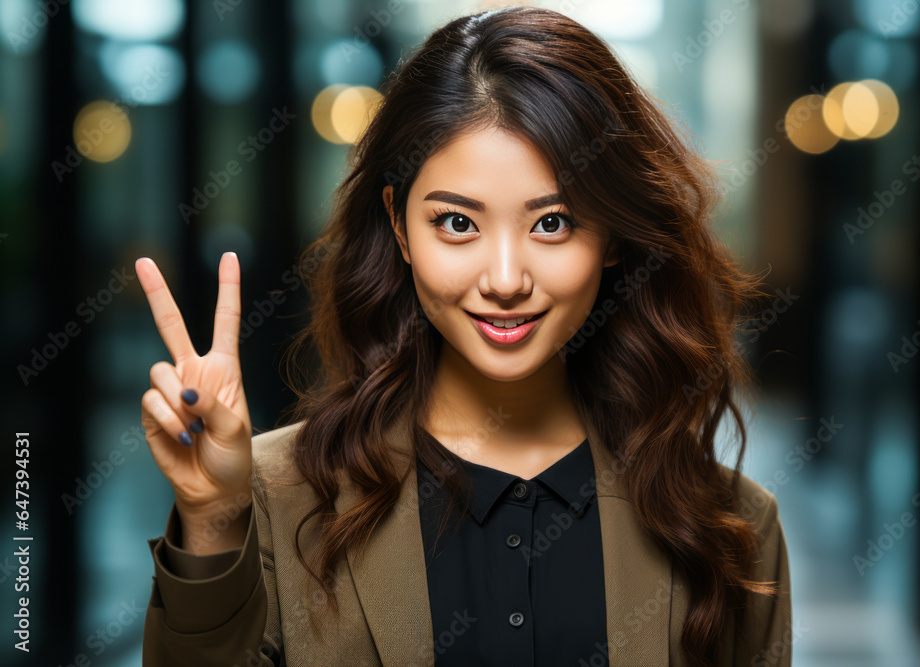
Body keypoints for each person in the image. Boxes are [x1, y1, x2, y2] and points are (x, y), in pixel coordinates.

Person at [138, 5, 791, 666]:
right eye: (456, 223)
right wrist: (215, 518)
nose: (505, 279)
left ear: (613, 235)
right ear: (399, 227)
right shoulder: (280, 498)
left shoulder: (731, 526)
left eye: (553, 222)